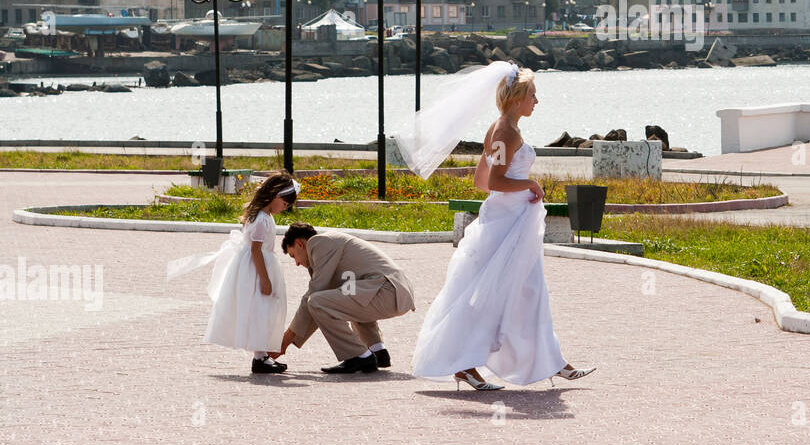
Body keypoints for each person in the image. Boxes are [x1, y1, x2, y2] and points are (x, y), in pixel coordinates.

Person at [398, 60, 594, 390]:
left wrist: (520, 186)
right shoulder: (505, 131)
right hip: (506, 227)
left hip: (511, 222)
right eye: (532, 94)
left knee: (528, 292)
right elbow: (495, 181)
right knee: (492, 294)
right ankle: (468, 364)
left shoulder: (499, 128)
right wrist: (530, 185)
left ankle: (552, 361)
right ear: (517, 97)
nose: (536, 101)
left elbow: (479, 180)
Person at [166, 170, 296, 374]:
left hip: (258, 264)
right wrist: (264, 279)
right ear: (275, 196)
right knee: (260, 309)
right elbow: (256, 250)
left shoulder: (265, 216)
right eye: (285, 203)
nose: (285, 208)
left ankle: (261, 355)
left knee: (262, 309)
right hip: (257, 268)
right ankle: (260, 357)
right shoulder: (261, 219)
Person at [277, 224, 416, 374]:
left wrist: (286, 340)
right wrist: (290, 339)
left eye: (293, 256)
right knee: (343, 298)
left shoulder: (319, 242)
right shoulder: (332, 243)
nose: (297, 263)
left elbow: (314, 294)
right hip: (394, 291)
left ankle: (358, 356)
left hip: (387, 290)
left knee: (317, 301)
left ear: (299, 244)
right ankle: (377, 351)